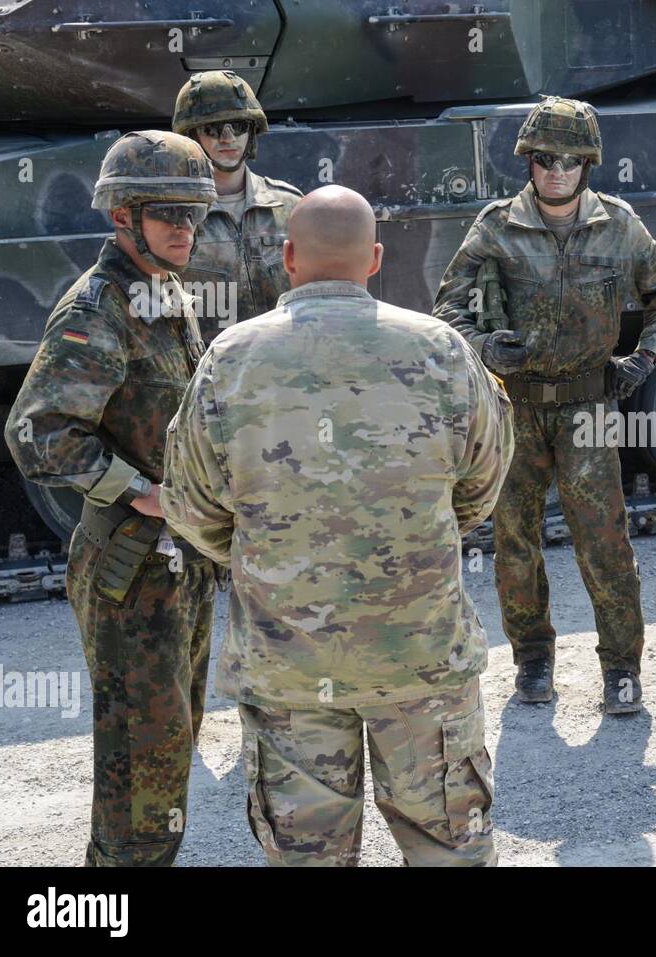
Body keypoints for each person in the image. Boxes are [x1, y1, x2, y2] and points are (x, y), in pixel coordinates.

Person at [161, 185, 512, 866]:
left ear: (288, 256)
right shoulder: (442, 350)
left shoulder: (230, 360)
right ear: (375, 257)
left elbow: (192, 504)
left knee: (307, 857)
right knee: (451, 851)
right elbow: (480, 484)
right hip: (419, 659)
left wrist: (267, 557)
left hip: (291, 664)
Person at [5, 130, 219, 865]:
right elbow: (36, 433)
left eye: (195, 215)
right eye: (168, 215)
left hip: (176, 564)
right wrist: (139, 490)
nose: (185, 230)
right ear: (121, 217)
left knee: (167, 755)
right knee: (141, 782)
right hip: (132, 570)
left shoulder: (163, 291)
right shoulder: (99, 308)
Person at [433, 96, 656, 714]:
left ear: (588, 165)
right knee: (515, 543)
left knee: (604, 543)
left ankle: (622, 669)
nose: (557, 171)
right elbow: (447, 312)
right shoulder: (495, 226)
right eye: (545, 159)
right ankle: (533, 663)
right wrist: (486, 346)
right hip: (513, 408)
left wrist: (646, 360)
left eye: (571, 160)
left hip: (589, 408)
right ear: (528, 161)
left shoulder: (619, 225)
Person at [172, 70, 302, 342]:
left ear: (252, 132)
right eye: (213, 128)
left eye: (239, 126)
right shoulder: (174, 216)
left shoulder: (290, 207)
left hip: (282, 363)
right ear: (193, 137)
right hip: (212, 371)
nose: (228, 137)